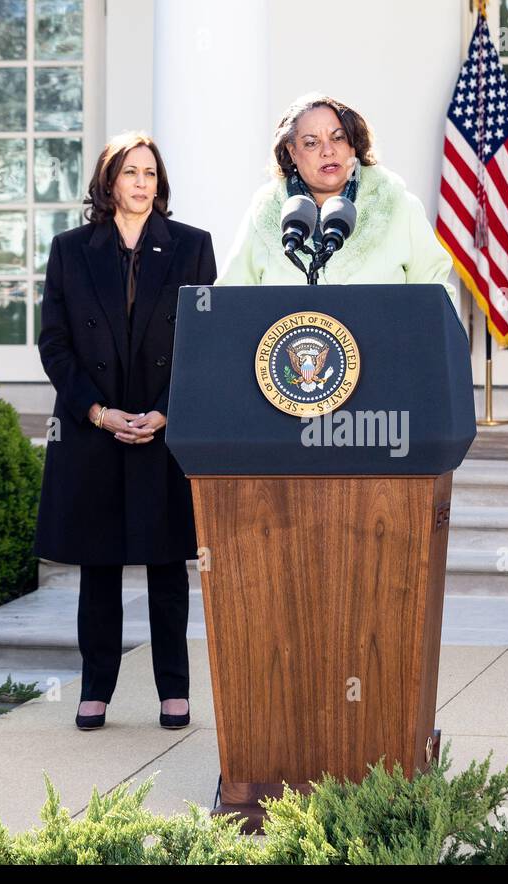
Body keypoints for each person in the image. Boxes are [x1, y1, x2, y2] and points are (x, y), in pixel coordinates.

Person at [34, 131, 217, 731]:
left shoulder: (192, 247)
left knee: (168, 566)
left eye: (150, 172)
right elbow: (55, 344)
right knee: (99, 567)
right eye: (130, 172)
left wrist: (167, 409)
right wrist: (96, 411)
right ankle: (95, 691)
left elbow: (203, 344)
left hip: (165, 427)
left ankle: (174, 691)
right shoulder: (69, 249)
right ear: (108, 183)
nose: (142, 182)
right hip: (93, 428)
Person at [218, 91, 459, 317]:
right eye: (311, 142)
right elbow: (229, 307)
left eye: (338, 138)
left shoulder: (400, 207)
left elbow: (437, 303)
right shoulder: (263, 217)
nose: (328, 151)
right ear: (292, 152)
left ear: (354, 144)